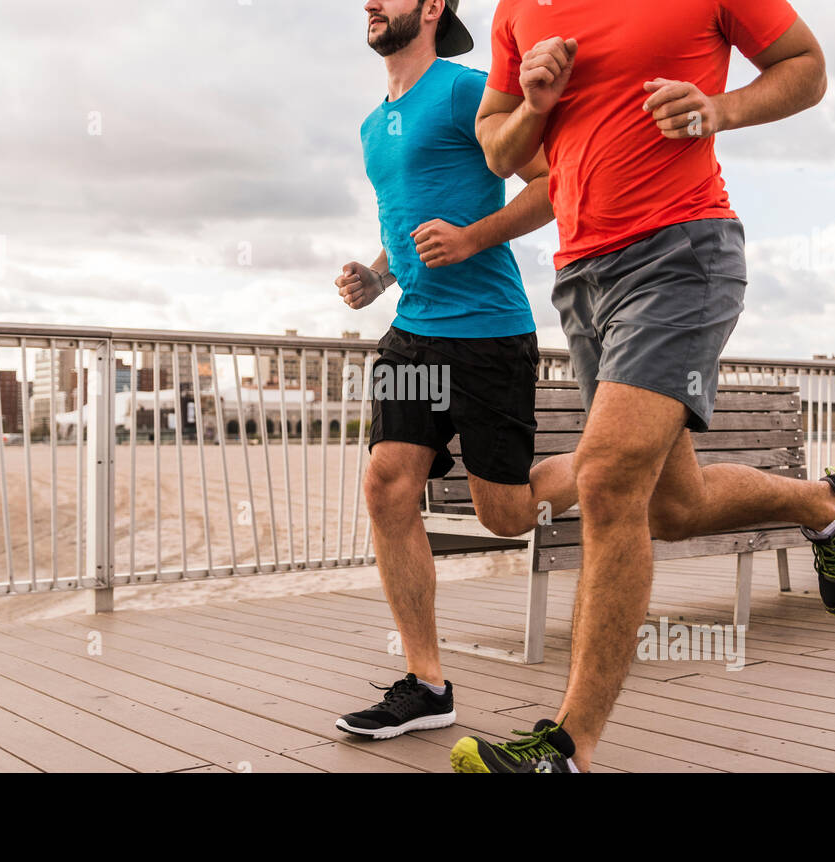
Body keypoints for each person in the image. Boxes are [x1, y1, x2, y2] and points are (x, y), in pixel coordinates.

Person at [449, 0, 835, 773]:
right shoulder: (518, 10)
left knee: (608, 480)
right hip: (582, 275)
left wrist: (720, 108)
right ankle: (829, 505)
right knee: (671, 509)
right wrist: (536, 107)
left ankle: (566, 749)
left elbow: (805, 67)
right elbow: (495, 146)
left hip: (683, 251)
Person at [332, 0, 577, 740]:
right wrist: (378, 277)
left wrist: (472, 240)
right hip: (413, 333)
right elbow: (405, 227)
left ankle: (618, 460)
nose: (371, 3)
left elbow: (551, 184)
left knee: (504, 515)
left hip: (487, 335)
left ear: (433, 6)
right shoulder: (374, 125)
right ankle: (428, 683)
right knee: (385, 485)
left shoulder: (470, 89)